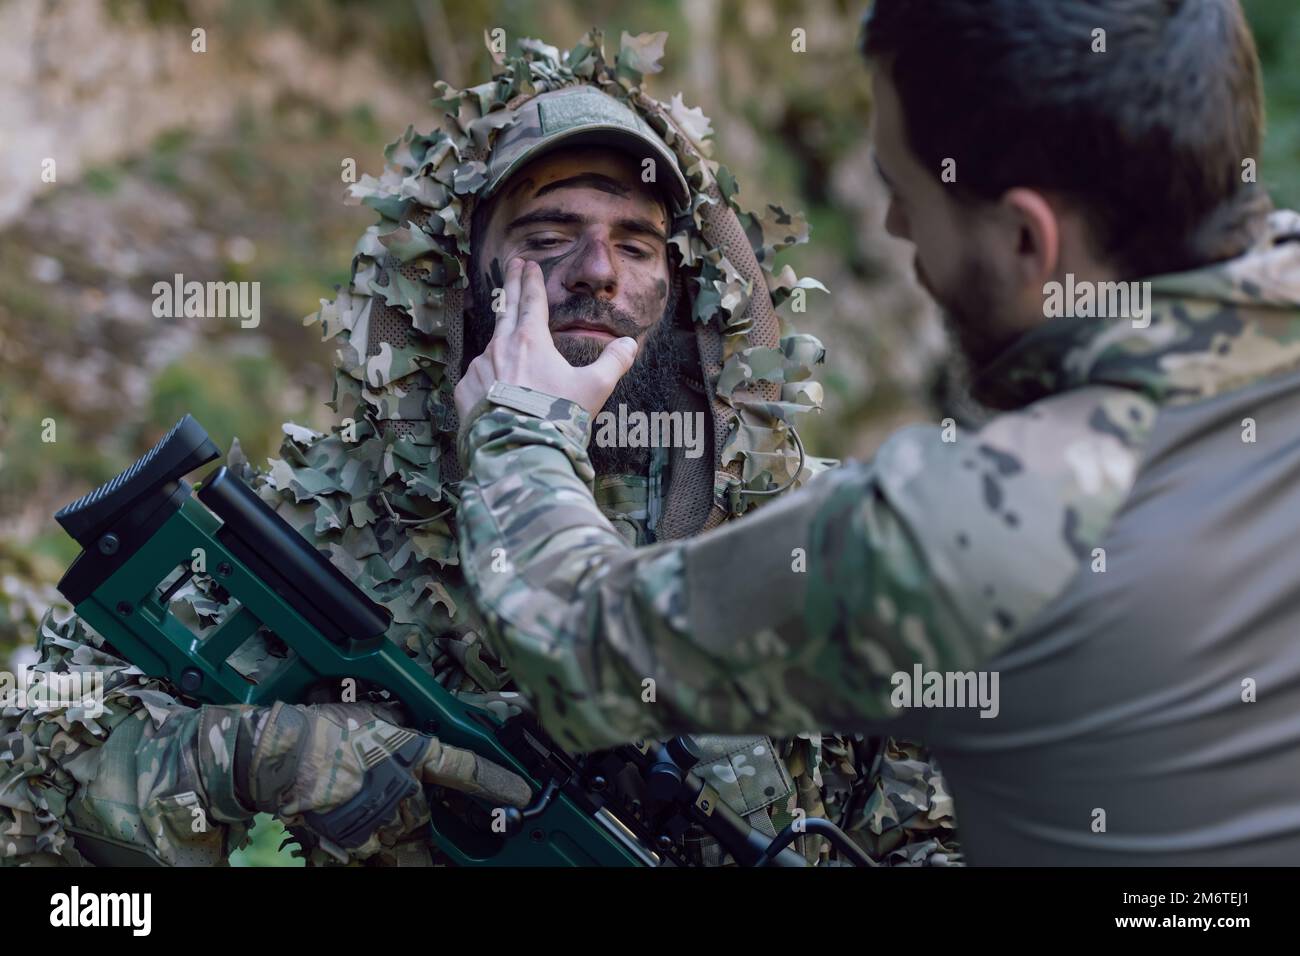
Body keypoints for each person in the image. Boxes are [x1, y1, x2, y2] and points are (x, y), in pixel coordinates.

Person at [1, 31, 956, 866]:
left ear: (690, 286)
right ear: (459, 283)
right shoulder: (336, 528)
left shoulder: (821, 540)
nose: (596, 273)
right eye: (548, 235)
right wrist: (252, 758)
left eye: (637, 244)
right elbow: (29, 802)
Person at [453, 0, 1300, 865]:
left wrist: (520, 421)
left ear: (1023, 239)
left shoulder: (973, 523)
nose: (895, 228)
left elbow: (574, 646)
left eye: (904, 194)